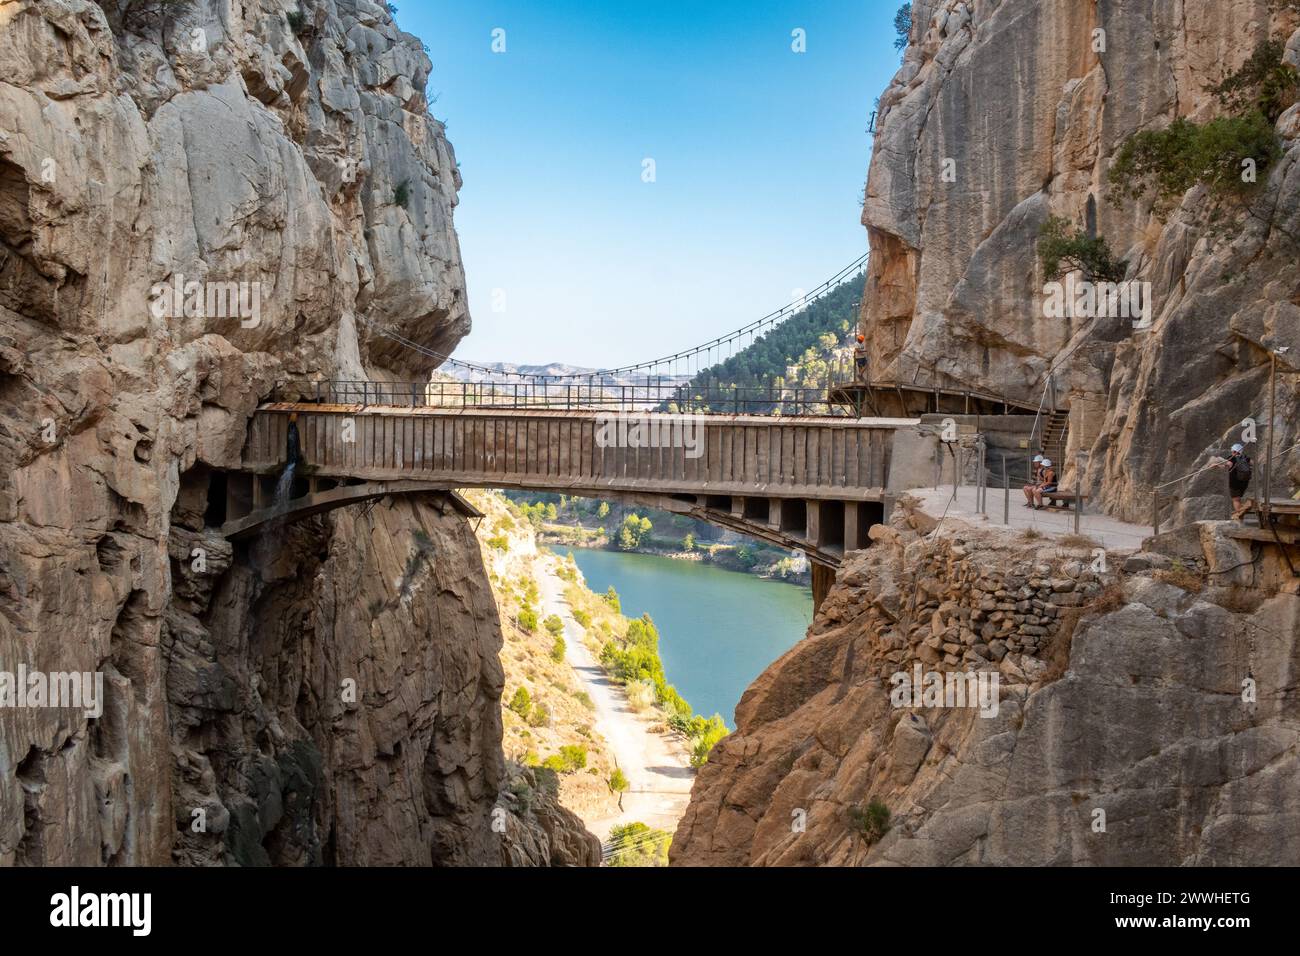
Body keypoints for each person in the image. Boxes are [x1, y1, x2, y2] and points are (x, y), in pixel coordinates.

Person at [1219, 442, 1253, 520]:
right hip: (1244, 482)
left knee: (1236, 500)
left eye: (1232, 450)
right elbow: (1252, 463)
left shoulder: (1232, 458)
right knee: (1238, 498)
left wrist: (1216, 465)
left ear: (1233, 451)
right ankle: (1242, 512)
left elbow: (1227, 465)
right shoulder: (1246, 458)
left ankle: (1239, 516)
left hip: (1234, 482)